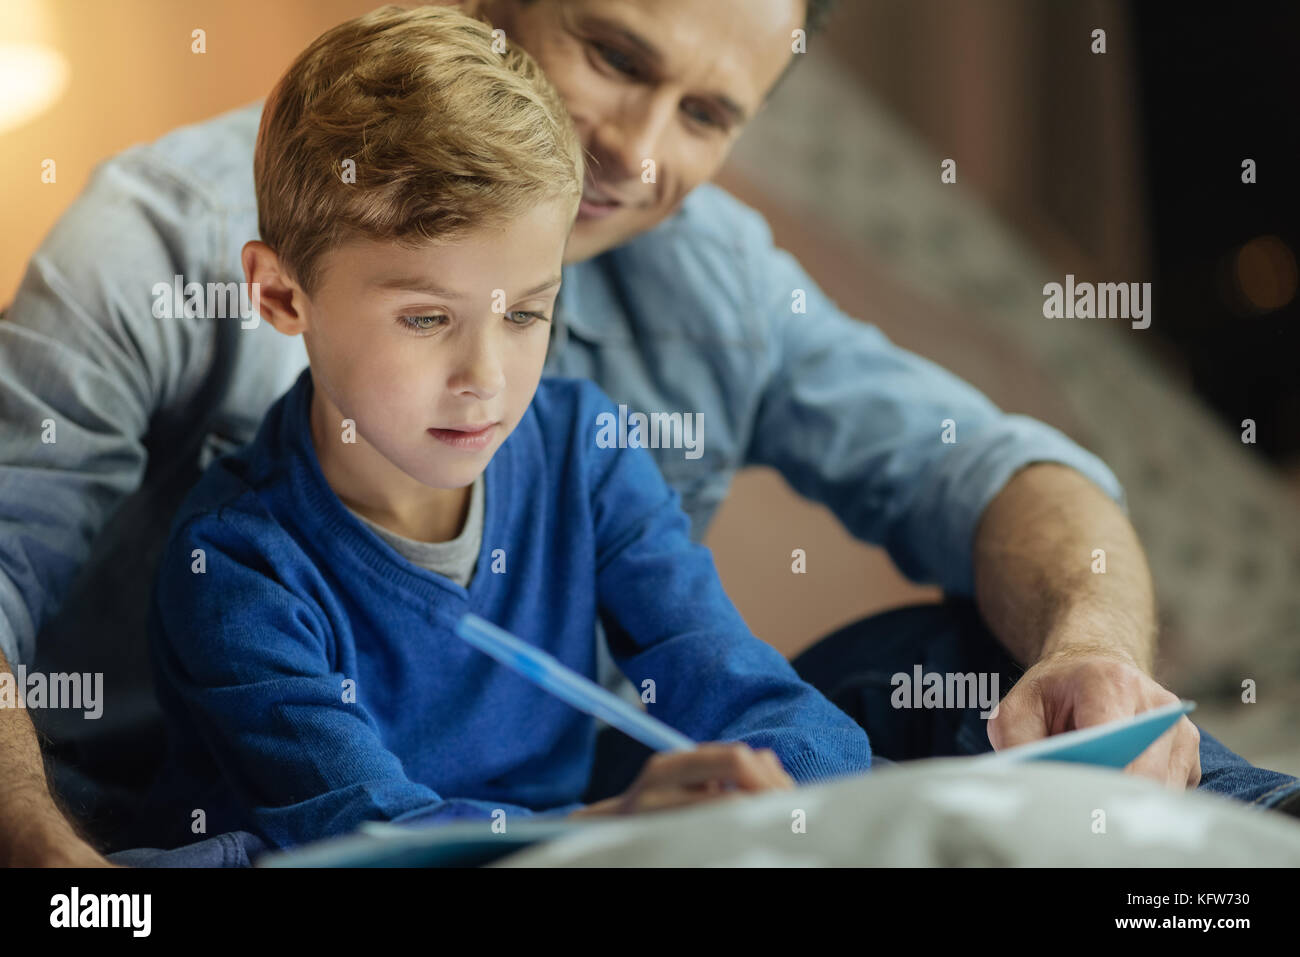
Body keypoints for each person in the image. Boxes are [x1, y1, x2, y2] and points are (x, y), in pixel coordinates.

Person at [1, 0, 1295, 867]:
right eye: (617, 55)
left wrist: (1079, 660)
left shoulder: (631, 366)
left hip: (610, 785)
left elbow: (981, 476)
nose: (632, 152)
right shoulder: (162, 264)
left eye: (709, 114)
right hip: (191, 805)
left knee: (962, 661)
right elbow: (358, 819)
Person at [123, 4, 872, 858]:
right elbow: (376, 839)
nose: (485, 378)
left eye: (524, 312)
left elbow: (733, 676)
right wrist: (612, 830)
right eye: (426, 318)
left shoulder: (585, 453)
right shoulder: (237, 565)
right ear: (283, 296)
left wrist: (800, 793)